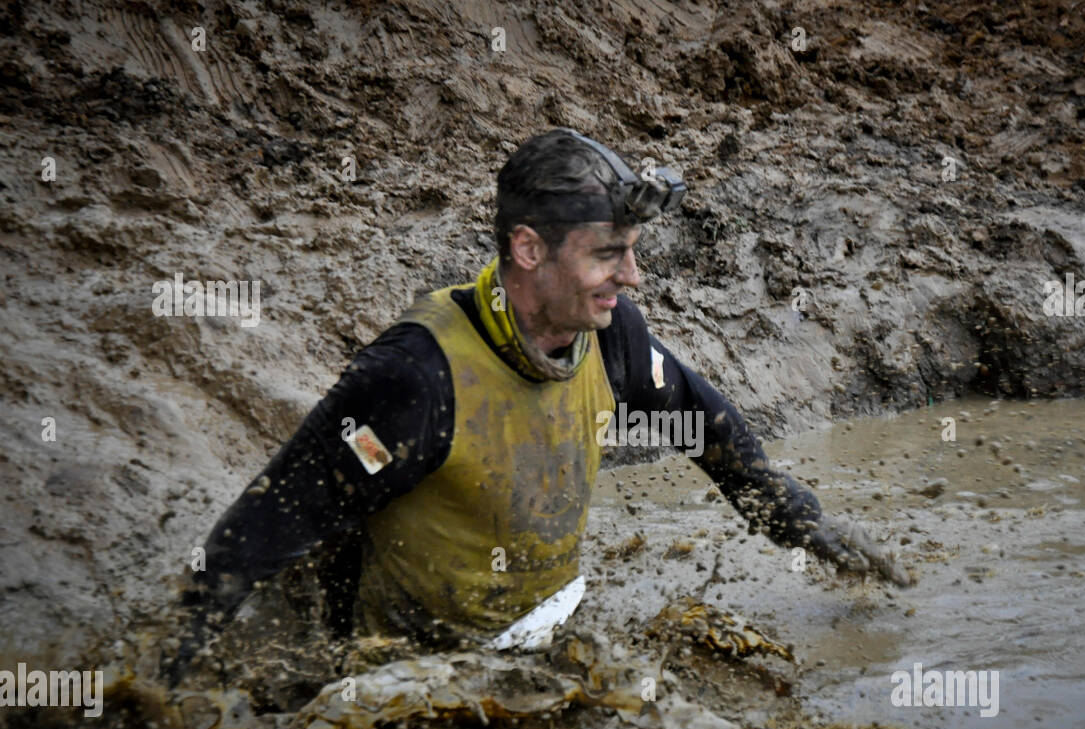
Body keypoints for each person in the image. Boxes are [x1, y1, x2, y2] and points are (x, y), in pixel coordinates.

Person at [164, 128, 910, 686]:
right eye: (608, 253)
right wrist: (164, 678)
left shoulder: (609, 335)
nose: (634, 275)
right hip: (408, 679)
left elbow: (700, 417)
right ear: (528, 249)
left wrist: (798, 519)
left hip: (549, 639)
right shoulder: (415, 378)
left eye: (633, 249)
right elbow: (265, 527)